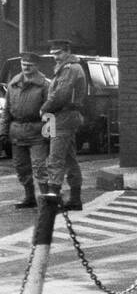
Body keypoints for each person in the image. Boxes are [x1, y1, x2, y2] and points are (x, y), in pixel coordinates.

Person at [0, 51, 51, 210]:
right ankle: (29, 197)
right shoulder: (13, 84)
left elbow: (51, 111)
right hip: (17, 132)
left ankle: (46, 199)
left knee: (40, 167)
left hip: (38, 132)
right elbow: (6, 111)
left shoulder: (45, 85)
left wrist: (51, 134)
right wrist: (3, 131)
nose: (26, 68)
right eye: (24, 65)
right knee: (21, 168)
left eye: (30, 65)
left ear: (36, 66)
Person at [41, 40, 87, 211]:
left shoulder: (70, 69)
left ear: (68, 51)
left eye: (59, 53)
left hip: (63, 116)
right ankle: (75, 199)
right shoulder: (68, 68)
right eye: (53, 53)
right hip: (64, 116)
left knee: (55, 159)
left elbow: (61, 94)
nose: (55, 57)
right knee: (69, 158)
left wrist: (44, 108)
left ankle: (53, 199)